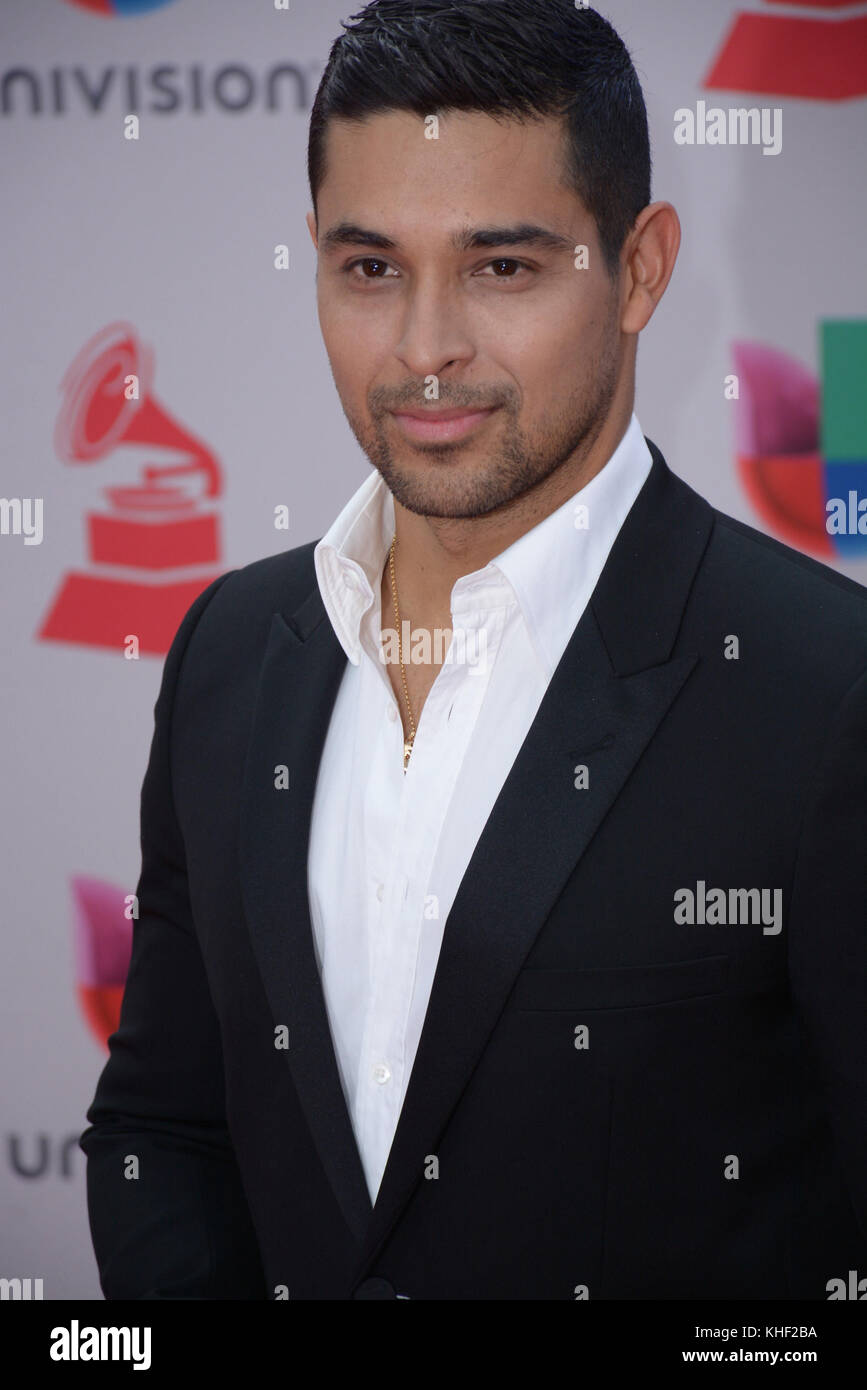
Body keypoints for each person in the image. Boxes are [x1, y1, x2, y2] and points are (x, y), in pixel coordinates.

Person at [80, 0, 867, 1300]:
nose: (425, 349)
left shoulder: (822, 688)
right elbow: (165, 1130)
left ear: (643, 266)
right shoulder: (231, 650)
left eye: (503, 267)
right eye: (371, 266)